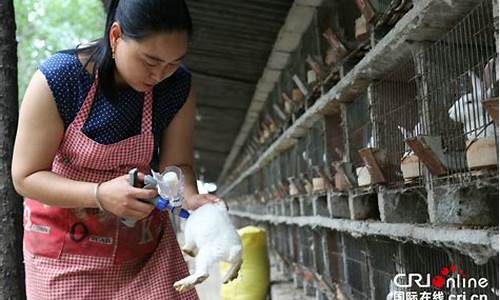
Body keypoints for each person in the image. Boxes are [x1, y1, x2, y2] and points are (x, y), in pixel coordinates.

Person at [11, 0, 219, 298]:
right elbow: (25, 177)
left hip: (143, 256)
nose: (160, 74)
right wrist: (99, 194)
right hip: (64, 255)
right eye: (150, 61)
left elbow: (177, 166)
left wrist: (190, 198)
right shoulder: (61, 79)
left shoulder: (177, 86)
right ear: (116, 36)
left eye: (173, 62)